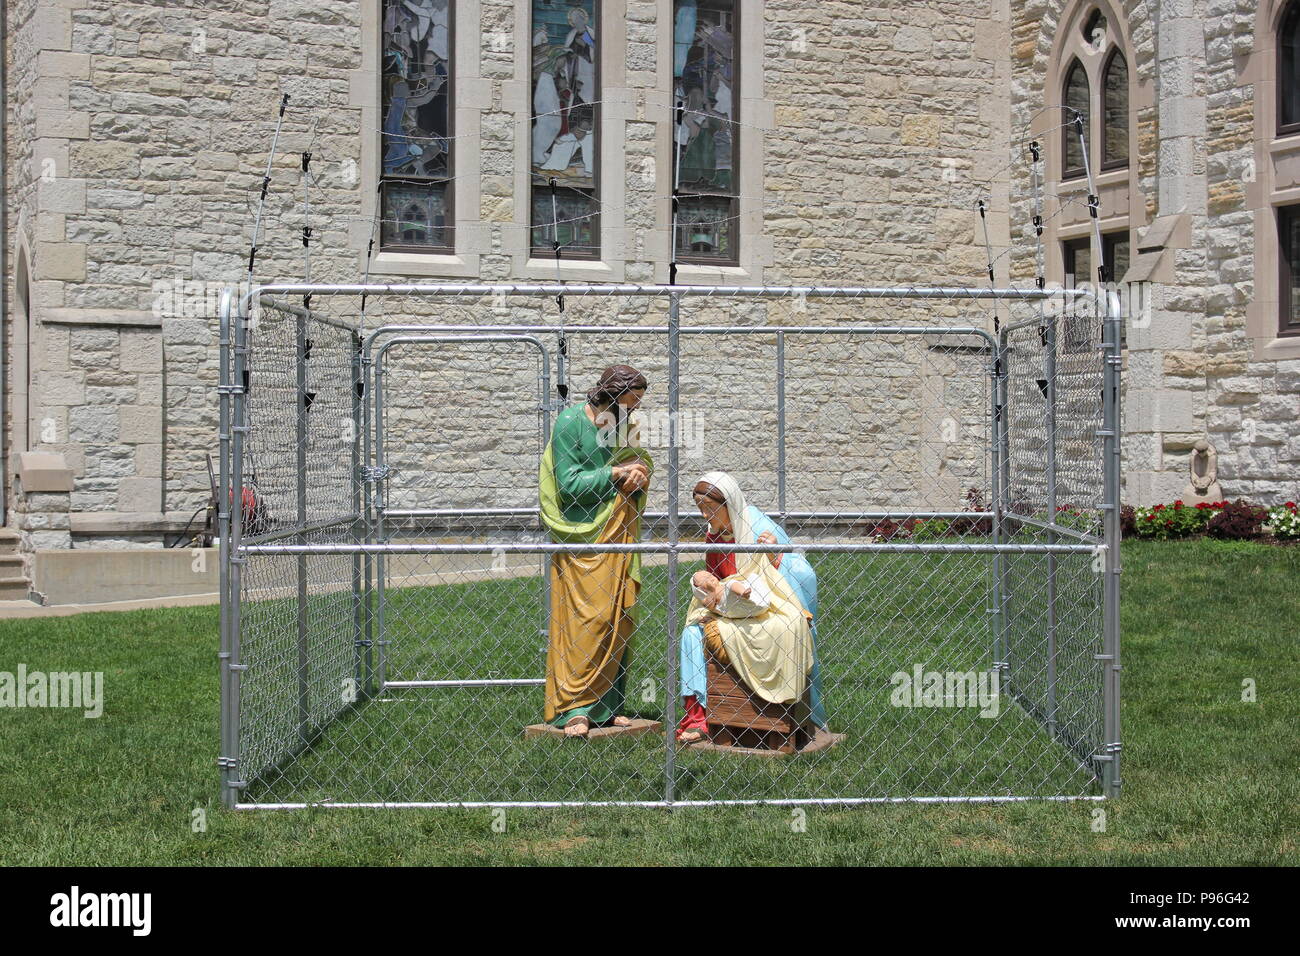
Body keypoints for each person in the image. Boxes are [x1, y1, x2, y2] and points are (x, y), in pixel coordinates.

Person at [538, 365, 652, 738]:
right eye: (629, 404)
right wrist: (618, 475)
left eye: (636, 406)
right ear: (611, 396)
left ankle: (606, 706)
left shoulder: (621, 425)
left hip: (617, 530)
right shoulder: (571, 423)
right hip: (582, 537)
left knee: (618, 617)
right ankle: (574, 707)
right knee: (589, 620)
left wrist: (638, 473)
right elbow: (568, 485)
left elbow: (639, 459)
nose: (632, 412)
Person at [676, 471, 827, 743]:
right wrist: (709, 591)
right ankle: (698, 718)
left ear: (729, 504)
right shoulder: (715, 536)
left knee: (785, 630)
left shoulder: (754, 526)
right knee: (690, 634)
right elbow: (715, 578)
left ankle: (776, 718)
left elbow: (801, 572)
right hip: (730, 610)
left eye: (710, 508)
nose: (705, 516)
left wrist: (773, 553)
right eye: (700, 509)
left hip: (767, 607)